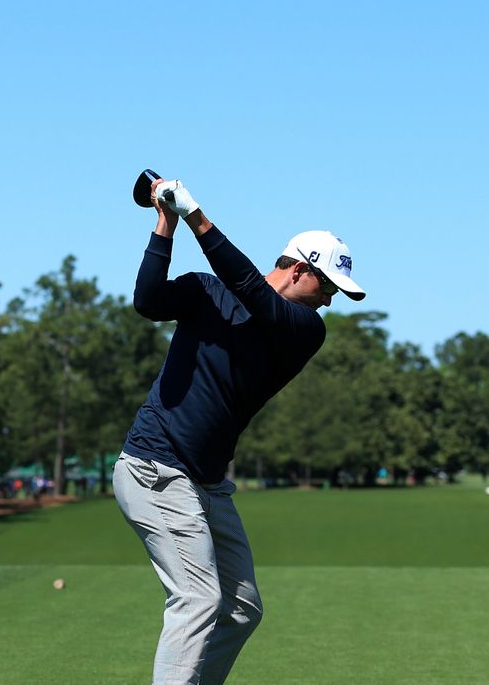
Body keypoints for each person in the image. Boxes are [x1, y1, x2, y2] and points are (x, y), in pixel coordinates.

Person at [114, 176, 363, 685]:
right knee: (199, 597)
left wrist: (196, 215)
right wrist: (166, 222)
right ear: (299, 269)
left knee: (241, 607)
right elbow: (148, 300)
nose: (331, 301)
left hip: (205, 484)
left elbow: (252, 289)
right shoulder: (206, 291)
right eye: (328, 287)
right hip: (156, 468)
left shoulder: (304, 329)